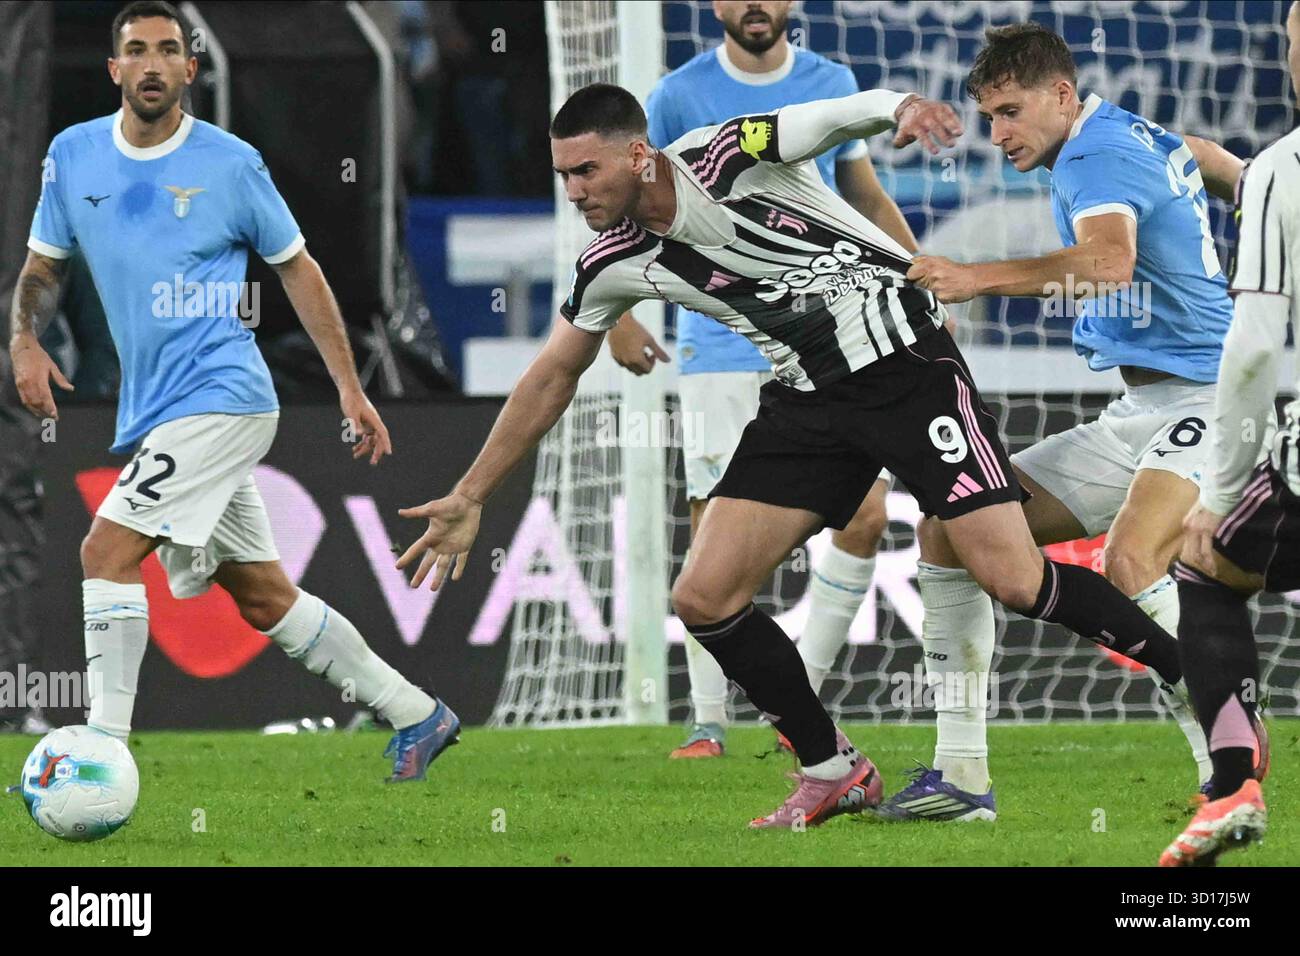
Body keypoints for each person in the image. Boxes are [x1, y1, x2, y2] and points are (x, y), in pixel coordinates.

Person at [396, 79, 1196, 828]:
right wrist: (471, 495)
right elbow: (551, 377)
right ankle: (831, 765)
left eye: (587, 170)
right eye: (564, 175)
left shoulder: (723, 154)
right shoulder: (611, 264)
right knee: (704, 597)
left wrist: (900, 108)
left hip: (906, 371)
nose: (575, 192)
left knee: (1015, 579)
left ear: (639, 156)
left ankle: (1196, 681)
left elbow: (829, 118)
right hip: (808, 403)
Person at [8, 1, 457, 781]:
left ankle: (101, 755)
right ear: (114, 69)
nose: (152, 64)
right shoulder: (73, 156)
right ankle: (419, 714)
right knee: (261, 595)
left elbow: (299, 269)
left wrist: (351, 387)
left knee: (105, 551)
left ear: (191, 67)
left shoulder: (230, 163)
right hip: (158, 411)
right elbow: (45, 268)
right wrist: (23, 338)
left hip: (224, 397)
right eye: (136, 51)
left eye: (169, 50)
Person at [896, 21, 1261, 821]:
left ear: (1062, 95)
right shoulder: (1121, 130)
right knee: (951, 528)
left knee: (1132, 560)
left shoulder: (1094, 156)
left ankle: (1227, 766)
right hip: (1142, 408)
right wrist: (1260, 198)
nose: (998, 134)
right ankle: (960, 779)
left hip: (1211, 398)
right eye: (989, 116)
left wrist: (973, 277)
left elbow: (1108, 263)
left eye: (1011, 111)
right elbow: (1203, 153)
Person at [605, 0, 913, 760]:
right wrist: (615, 313)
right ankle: (708, 722)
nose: (756, 5)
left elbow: (861, 194)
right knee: (713, 523)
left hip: (826, 338)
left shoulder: (829, 78)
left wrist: (919, 271)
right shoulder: (676, 94)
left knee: (866, 516)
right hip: (720, 341)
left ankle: (792, 700)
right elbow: (629, 198)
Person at [1158, 0, 1300, 869]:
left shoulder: (1283, 169)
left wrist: (1213, 497)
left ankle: (1234, 783)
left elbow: (1251, 351)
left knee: (1205, 568)